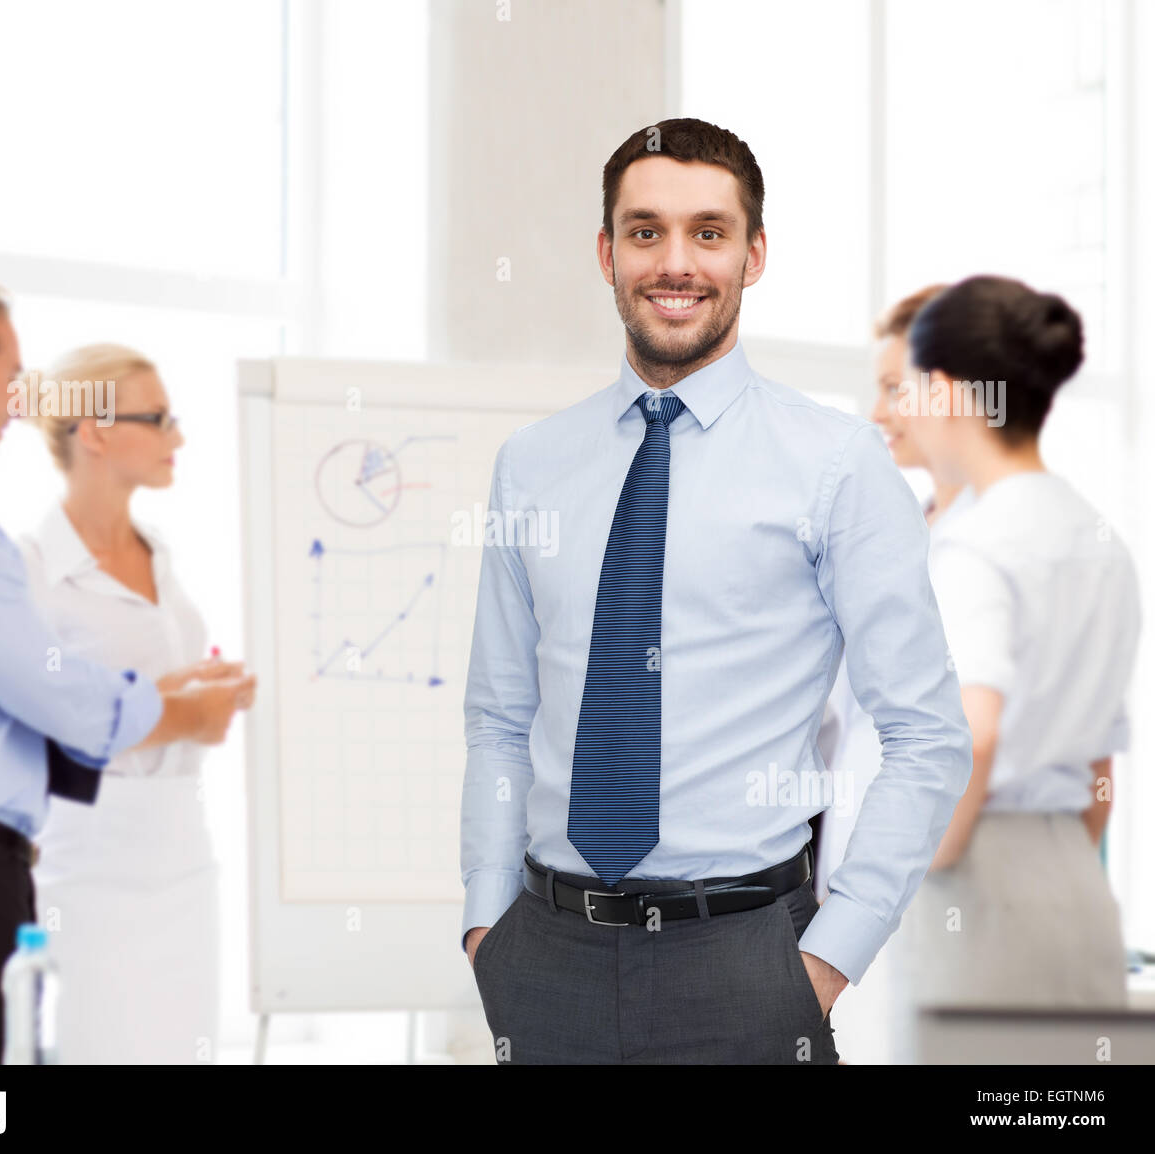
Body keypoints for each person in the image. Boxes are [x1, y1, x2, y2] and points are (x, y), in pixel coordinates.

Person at [459, 119, 973, 1064]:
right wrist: (487, 923)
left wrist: (827, 957)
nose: (676, 263)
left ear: (754, 253)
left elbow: (926, 733)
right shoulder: (530, 466)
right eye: (645, 231)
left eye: (709, 231)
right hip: (543, 957)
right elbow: (499, 713)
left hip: (747, 960)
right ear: (607, 253)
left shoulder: (838, 465)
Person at [0, 274, 255, 1065]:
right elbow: (46, 690)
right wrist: (177, 714)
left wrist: (155, 699)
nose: (17, 400)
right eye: (7, 378)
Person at [891, 275, 1138, 1043]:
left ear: (945, 391)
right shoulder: (1101, 540)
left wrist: (923, 862)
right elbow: (1101, 770)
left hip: (981, 889)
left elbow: (978, 730)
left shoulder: (974, 544)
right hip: (1077, 882)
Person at [17, 344, 229, 1064]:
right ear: (95, 433)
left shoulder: (160, 549)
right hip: (87, 866)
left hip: (183, 854)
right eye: (158, 418)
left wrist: (201, 697)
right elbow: (31, 733)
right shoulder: (30, 572)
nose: (178, 437)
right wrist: (177, 710)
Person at [812, 284, 975, 1064]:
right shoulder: (895, 523)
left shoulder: (988, 545)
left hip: (944, 895)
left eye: (893, 389)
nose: (877, 414)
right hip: (848, 888)